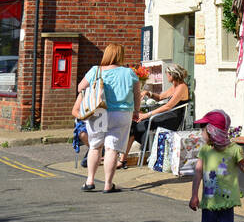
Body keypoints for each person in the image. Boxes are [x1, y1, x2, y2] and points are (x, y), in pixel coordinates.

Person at [76, 44, 140, 193]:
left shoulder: (96, 70)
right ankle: (108, 184)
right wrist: (136, 111)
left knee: (95, 146)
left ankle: (90, 181)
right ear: (121, 56)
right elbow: (137, 94)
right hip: (122, 113)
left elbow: (80, 88)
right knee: (112, 149)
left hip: (99, 111)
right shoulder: (129, 72)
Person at [127, 62, 191, 163]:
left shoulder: (182, 87)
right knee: (137, 124)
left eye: (167, 74)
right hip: (167, 116)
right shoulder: (175, 86)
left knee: (143, 124)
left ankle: (146, 152)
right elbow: (160, 97)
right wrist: (148, 93)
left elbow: (168, 106)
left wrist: (147, 114)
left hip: (173, 119)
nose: (167, 76)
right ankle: (127, 157)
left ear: (172, 75)